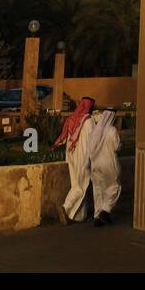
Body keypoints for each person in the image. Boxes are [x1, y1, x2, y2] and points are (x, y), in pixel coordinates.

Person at [54, 95, 95, 223]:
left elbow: (64, 137)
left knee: (76, 184)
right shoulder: (88, 121)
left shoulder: (72, 119)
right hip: (82, 157)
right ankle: (65, 208)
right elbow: (92, 141)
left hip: (71, 155)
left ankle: (78, 216)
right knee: (81, 186)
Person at [87, 108, 121, 226]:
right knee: (114, 187)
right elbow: (116, 147)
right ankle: (105, 211)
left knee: (98, 190)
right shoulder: (112, 130)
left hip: (96, 164)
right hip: (108, 163)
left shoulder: (94, 132)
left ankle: (97, 217)